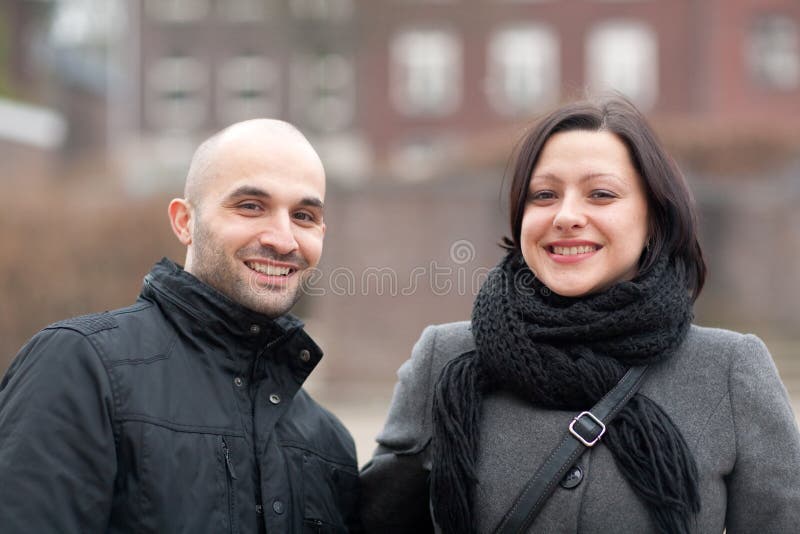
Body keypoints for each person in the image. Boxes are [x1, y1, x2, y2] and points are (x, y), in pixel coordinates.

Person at [360, 96, 800, 533]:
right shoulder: (446, 360)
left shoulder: (728, 370)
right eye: (544, 195)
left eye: (601, 194)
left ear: (654, 219)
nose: (567, 215)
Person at [0, 119, 362, 533]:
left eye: (303, 215)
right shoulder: (82, 369)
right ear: (184, 221)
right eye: (250, 206)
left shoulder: (330, 443)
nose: (283, 239)